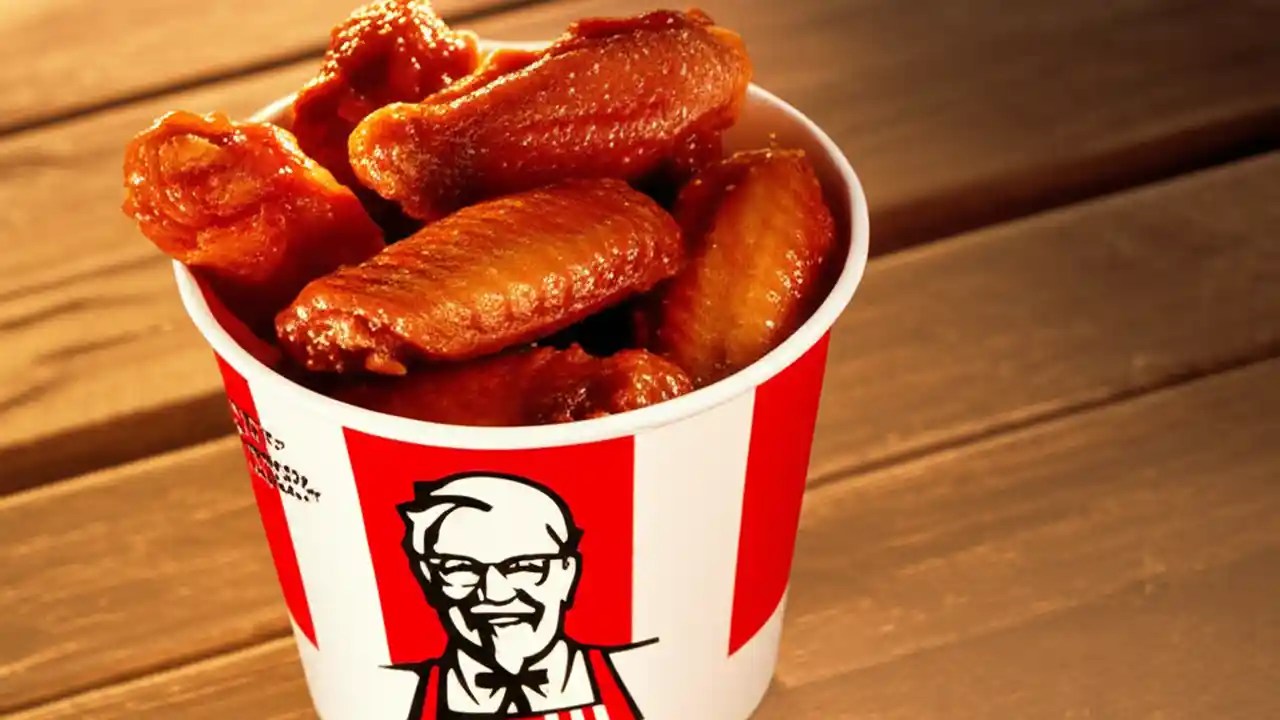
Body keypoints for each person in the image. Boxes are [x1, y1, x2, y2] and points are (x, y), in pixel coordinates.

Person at [397, 472, 649, 720]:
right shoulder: (400, 692)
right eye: (460, 568)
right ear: (428, 578)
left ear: (567, 573)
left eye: (525, 566)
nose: (496, 594)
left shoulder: (635, 674)